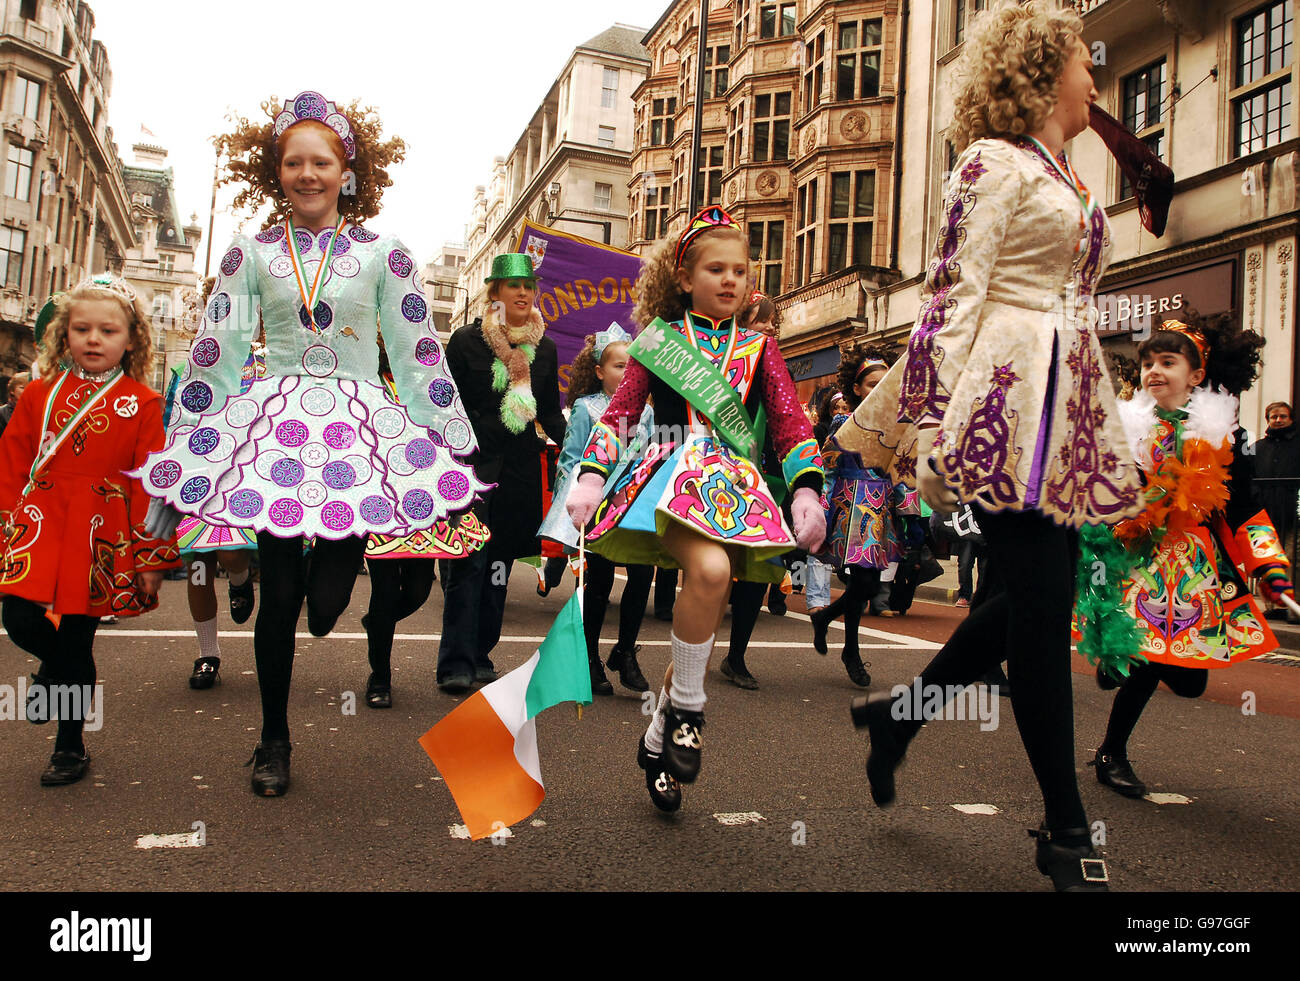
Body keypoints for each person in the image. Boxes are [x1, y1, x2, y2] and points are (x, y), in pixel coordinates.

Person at [836, 1, 1144, 890]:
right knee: (1041, 613)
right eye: (1085, 61)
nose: (1095, 75)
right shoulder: (991, 164)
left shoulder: (1070, 175)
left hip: (1066, 397)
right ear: (1045, 72)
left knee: (1035, 604)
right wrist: (930, 422)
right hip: (1004, 400)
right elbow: (949, 298)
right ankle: (1065, 827)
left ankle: (902, 718)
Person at [135, 92, 487, 796]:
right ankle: (273, 738)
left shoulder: (387, 255)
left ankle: (330, 603)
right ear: (279, 171)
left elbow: (418, 353)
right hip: (277, 432)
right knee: (281, 593)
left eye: (320, 161)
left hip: (358, 430)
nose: (306, 173)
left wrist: (450, 449)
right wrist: (187, 456)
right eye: (292, 161)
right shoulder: (249, 252)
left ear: (345, 169)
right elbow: (217, 351)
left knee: (324, 604)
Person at [566, 206, 826, 813]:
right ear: (684, 277)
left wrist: (807, 487)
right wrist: (589, 473)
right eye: (716, 269)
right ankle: (690, 711)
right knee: (708, 573)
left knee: (705, 600)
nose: (731, 280)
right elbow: (621, 413)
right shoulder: (659, 340)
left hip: (733, 488)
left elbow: (788, 423)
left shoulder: (761, 348)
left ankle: (660, 731)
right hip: (670, 474)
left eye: (741, 270)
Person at [1078, 315, 1290, 797]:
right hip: (1141, 560)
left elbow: (1244, 505)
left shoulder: (1221, 434)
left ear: (1195, 375)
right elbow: (1105, 496)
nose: (1153, 370)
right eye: (1147, 361)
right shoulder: (1127, 429)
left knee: (1191, 682)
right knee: (1150, 663)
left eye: (1167, 361)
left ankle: (1124, 660)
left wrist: (1269, 565)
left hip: (1196, 567)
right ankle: (1112, 751)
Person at [0, 276, 180, 786]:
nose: (94, 339)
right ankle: (53, 672)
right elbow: (11, 463)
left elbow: (151, 484)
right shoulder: (38, 394)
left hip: (101, 534)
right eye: (82, 329)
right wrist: (4, 524)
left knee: (79, 639)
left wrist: (151, 557)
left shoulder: (142, 403)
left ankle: (69, 747)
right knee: (18, 619)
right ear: (65, 335)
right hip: (37, 524)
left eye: (108, 330)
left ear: (131, 339)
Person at [436, 253, 566, 694]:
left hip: (520, 471)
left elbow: (548, 410)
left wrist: (581, 451)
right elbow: (444, 405)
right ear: (495, 293)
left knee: (499, 566)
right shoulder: (466, 341)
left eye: (529, 286)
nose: (524, 293)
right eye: (514, 286)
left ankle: (481, 653)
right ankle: (455, 661)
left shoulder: (544, 347)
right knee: (468, 563)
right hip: (472, 467)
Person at [538, 324, 653, 695]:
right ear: (601, 371)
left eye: (631, 366)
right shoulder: (586, 409)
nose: (625, 373)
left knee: (641, 574)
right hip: (598, 505)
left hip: (635, 503)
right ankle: (588, 655)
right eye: (618, 366)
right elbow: (570, 462)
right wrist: (567, 512)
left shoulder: (647, 414)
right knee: (599, 582)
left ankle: (625, 650)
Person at [810, 344, 901, 687]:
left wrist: (907, 499)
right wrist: (821, 508)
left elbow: (900, 468)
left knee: (869, 583)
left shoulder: (895, 424)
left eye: (885, 382)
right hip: (851, 506)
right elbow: (828, 468)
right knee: (863, 582)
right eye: (871, 384)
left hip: (881, 508)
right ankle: (851, 649)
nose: (878, 390)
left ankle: (826, 622)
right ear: (857, 389)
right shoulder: (843, 423)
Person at [1252, 400, 1300, 613]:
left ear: (1291, 419)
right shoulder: (1258, 448)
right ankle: (1271, 605)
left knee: (1292, 560)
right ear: (1268, 420)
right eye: (1274, 417)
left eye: (1283, 416)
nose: (1278, 420)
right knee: (1268, 560)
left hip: (1293, 514)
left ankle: (1293, 605)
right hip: (1265, 515)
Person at [0, 371, 29, 440]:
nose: (27, 390)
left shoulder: (37, 413)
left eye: (29, 387)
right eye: (22, 387)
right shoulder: (2, 413)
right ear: (12, 391)